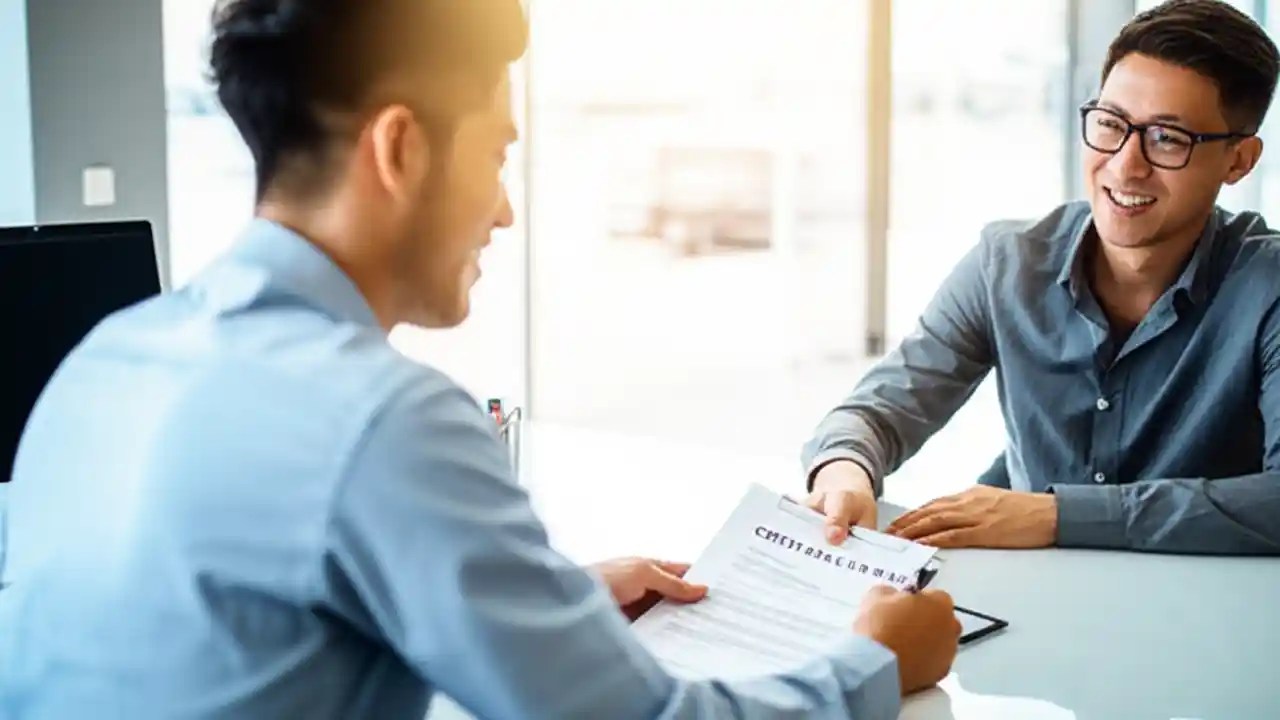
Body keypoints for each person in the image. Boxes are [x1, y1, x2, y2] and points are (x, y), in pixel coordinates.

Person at [0, 1, 960, 718]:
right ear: (401, 150)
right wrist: (874, 657)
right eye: (497, 156)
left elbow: (247, 631)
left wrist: (556, 598)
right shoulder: (381, 419)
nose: (504, 210)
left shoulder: (109, 359)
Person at [803, 0, 1280, 556]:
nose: (1125, 165)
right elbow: (880, 409)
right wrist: (845, 472)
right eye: (1110, 124)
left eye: (1167, 139)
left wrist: (1059, 515)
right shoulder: (1006, 262)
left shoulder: (1267, 288)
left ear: (1239, 161)